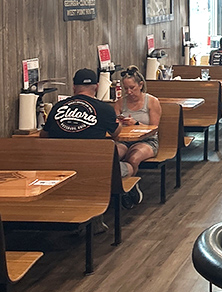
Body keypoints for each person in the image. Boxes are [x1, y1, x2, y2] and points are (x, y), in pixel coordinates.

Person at [42, 68, 130, 223]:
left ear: (74, 87)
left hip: (59, 168)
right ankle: (104, 209)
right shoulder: (105, 109)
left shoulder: (57, 107)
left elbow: (44, 135)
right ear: (96, 87)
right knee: (127, 162)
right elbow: (116, 133)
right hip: (92, 168)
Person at [114, 65, 163, 206]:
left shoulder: (151, 101)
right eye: (126, 89)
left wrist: (135, 124)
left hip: (148, 141)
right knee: (114, 154)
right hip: (124, 140)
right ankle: (118, 185)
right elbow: (114, 126)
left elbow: (154, 129)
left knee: (133, 158)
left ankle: (129, 189)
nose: (129, 92)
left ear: (140, 85)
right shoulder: (120, 103)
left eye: (132, 88)